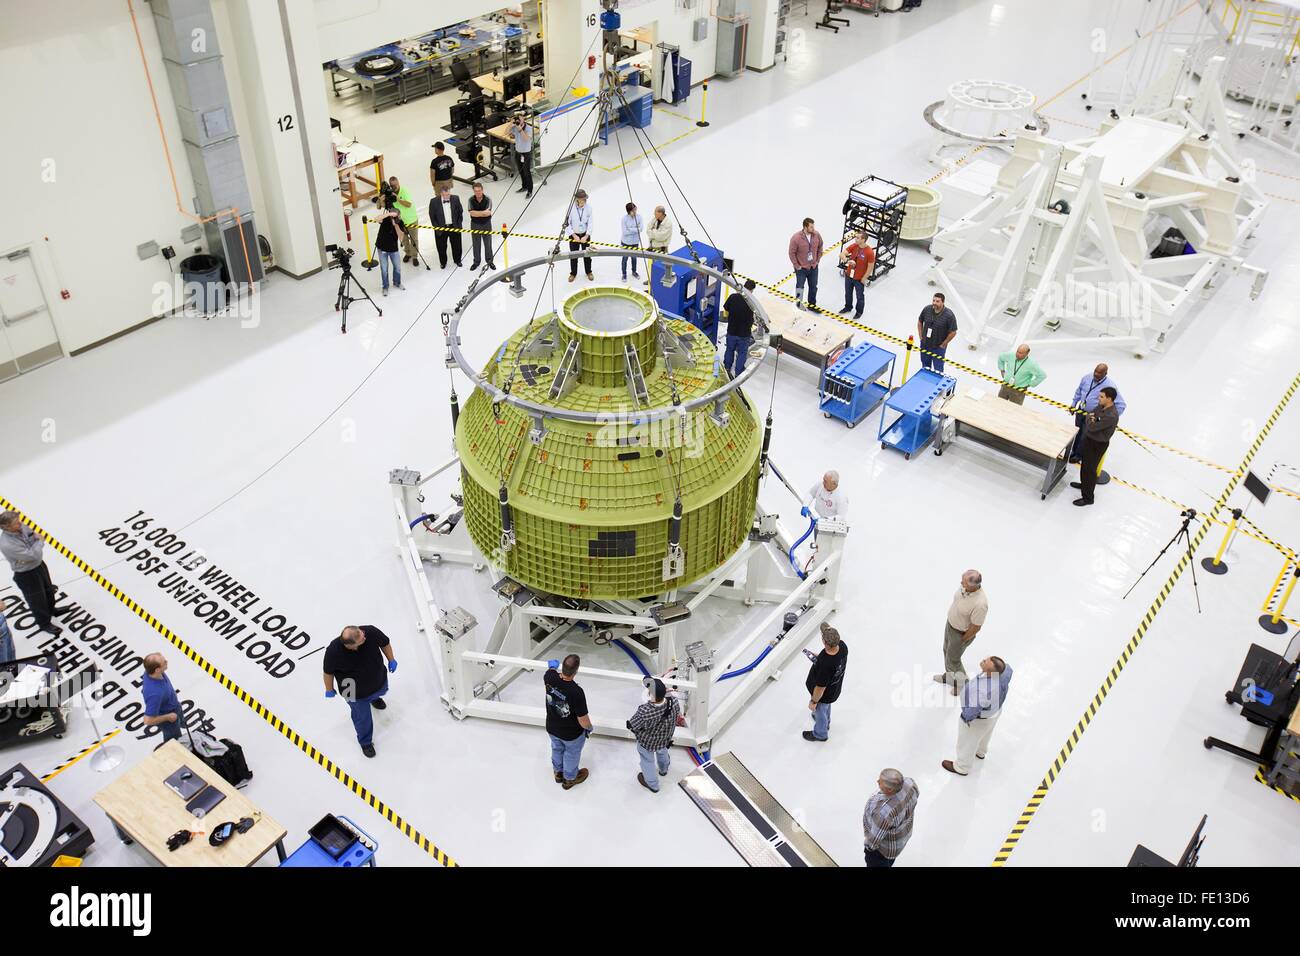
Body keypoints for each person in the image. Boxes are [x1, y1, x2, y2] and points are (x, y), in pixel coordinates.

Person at [323, 625, 398, 758]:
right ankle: (365, 742)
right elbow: (328, 672)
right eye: (361, 639)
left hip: (376, 678)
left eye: (362, 633)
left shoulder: (369, 632)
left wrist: (391, 659)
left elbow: (385, 643)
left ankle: (374, 699)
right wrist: (329, 689)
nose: (364, 636)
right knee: (361, 718)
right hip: (351, 689)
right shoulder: (333, 651)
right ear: (351, 646)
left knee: (382, 690)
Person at [943, 656, 1012, 775]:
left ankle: (962, 767)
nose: (983, 660)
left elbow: (973, 710)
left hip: (979, 721)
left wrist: (966, 719)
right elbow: (1008, 668)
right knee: (986, 734)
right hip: (994, 712)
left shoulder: (983, 691)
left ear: (990, 673)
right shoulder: (1004, 673)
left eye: (985, 661)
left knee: (967, 741)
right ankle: (981, 752)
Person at [0, 511, 62, 636]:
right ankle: (44, 623)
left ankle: (52, 609)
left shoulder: (22, 527)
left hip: (39, 566)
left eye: (18, 520)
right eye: (16, 523)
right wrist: (40, 542)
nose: (20, 523)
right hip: (26, 574)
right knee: (37, 600)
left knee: (48, 590)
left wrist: (36, 542)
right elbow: (33, 555)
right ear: (7, 527)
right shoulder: (7, 544)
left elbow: (33, 536)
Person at [933, 569, 987, 692]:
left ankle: (963, 684)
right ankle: (950, 677)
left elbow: (976, 627)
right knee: (946, 651)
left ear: (974, 586)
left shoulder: (980, 604)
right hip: (950, 626)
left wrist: (961, 640)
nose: (961, 583)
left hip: (960, 634)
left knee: (953, 660)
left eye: (964, 582)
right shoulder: (966, 588)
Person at [545, 654, 592, 789]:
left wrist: (553, 667)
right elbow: (583, 719)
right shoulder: (576, 692)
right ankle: (570, 778)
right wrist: (589, 728)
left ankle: (558, 773)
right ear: (576, 671)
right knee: (571, 754)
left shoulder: (549, 677)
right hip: (571, 734)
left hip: (552, 727)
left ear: (562, 667)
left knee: (557, 748)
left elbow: (551, 670)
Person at [626, 677, 680, 792]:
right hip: (665, 738)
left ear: (651, 694)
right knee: (663, 752)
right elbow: (676, 716)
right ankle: (663, 770)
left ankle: (653, 784)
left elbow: (633, 725)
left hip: (647, 742)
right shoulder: (674, 702)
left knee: (647, 761)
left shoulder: (645, 711)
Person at [1072, 386, 1119, 507]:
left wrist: (1091, 420)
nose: (1099, 398)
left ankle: (1088, 498)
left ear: (1109, 399)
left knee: (1090, 470)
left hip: (1097, 444)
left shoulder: (1111, 415)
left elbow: (1092, 427)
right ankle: (1084, 485)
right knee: (1085, 466)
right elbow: (1091, 414)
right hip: (1089, 440)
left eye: (1102, 397)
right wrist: (1092, 419)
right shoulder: (1102, 407)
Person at [1069, 363, 1126, 462]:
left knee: (1085, 436)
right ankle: (1073, 452)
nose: (1096, 374)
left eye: (1099, 373)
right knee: (1077, 433)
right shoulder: (1087, 377)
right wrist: (1074, 404)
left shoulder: (1110, 386)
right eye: (1095, 371)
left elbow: (1121, 405)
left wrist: (1106, 418)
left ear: (1105, 373)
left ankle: (1078, 456)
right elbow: (1079, 391)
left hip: (1092, 416)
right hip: (1080, 411)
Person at [862, 769, 919, 867]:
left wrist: (868, 848)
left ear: (889, 790)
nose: (877, 781)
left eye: (880, 781)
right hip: (900, 839)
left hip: (883, 852)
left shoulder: (883, 813)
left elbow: (873, 842)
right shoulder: (910, 783)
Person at [803, 623, 847, 742]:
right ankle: (826, 721)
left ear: (825, 643)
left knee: (820, 709)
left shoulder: (825, 666)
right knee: (826, 707)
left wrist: (813, 701)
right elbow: (833, 662)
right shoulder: (842, 646)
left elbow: (820, 689)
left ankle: (820, 733)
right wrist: (819, 658)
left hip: (823, 695)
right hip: (833, 690)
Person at [141, 653, 183, 743]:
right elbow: (147, 720)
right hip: (169, 721)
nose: (167, 662)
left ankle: (182, 724)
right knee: (174, 741)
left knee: (182, 721)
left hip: (175, 706)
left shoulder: (150, 672)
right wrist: (169, 717)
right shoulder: (155, 694)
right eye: (164, 662)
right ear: (157, 670)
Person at [721, 279, 757, 377]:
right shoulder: (752, 302)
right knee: (742, 353)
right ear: (752, 290)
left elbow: (726, 307)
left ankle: (727, 367)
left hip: (732, 330)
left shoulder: (733, 297)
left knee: (729, 349)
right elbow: (756, 314)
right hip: (744, 333)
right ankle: (738, 371)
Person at [788, 217, 824, 310]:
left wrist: (817, 260)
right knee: (800, 286)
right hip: (801, 269)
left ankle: (812, 305)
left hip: (813, 267)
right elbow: (791, 253)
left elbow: (820, 246)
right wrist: (797, 266)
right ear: (805, 227)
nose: (813, 229)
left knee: (813, 287)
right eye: (811, 227)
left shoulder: (816, 235)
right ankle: (799, 304)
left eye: (813, 226)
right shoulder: (796, 238)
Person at [838, 231, 875, 319]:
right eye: (856, 237)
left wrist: (864, 278)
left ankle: (859, 312)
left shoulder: (869, 252)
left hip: (859, 279)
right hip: (849, 276)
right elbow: (842, 254)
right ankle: (848, 307)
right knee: (848, 293)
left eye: (858, 238)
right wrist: (846, 260)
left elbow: (870, 267)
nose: (856, 239)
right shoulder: (854, 246)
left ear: (863, 240)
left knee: (860, 296)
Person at [916, 293, 957, 372]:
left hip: (938, 348)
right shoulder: (927, 309)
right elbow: (920, 321)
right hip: (925, 344)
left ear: (943, 302)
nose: (934, 303)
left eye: (937, 301)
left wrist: (943, 344)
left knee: (938, 370)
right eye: (933, 300)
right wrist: (921, 337)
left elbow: (953, 332)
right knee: (925, 366)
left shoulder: (949, 315)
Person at [428, 185, 465, 268]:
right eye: (445, 195)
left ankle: (457, 260)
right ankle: (443, 262)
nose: (447, 196)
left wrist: (458, 225)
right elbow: (432, 216)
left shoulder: (455, 198)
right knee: (441, 247)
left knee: (457, 245)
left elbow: (460, 212)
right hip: (441, 228)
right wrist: (437, 228)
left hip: (454, 226)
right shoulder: (434, 201)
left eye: (448, 194)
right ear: (441, 193)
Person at [372, 201, 403, 295]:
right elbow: (376, 219)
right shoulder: (385, 219)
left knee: (397, 267)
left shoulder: (400, 222)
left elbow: (401, 238)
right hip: (382, 248)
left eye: (397, 216)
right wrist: (388, 214)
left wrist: (396, 225)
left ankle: (397, 282)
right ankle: (385, 287)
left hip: (393, 248)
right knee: (384, 269)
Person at [388, 176, 420, 264]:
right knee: (404, 239)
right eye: (392, 186)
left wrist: (398, 198)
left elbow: (408, 204)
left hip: (411, 219)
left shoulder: (404, 190)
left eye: (396, 185)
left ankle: (414, 256)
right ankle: (408, 253)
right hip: (400, 221)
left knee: (414, 239)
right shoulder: (390, 194)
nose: (395, 187)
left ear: (398, 183)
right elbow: (389, 206)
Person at [467, 182, 496, 270]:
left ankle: (490, 261)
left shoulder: (488, 199)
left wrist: (477, 213)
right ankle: (476, 262)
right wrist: (482, 213)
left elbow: (488, 213)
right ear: (473, 191)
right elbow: (471, 213)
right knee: (476, 244)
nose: (478, 193)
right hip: (475, 225)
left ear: (482, 190)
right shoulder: (470, 200)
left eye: (479, 191)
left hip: (486, 224)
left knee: (488, 243)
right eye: (476, 191)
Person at [567, 189, 593, 281]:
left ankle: (589, 272)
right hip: (574, 235)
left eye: (585, 199)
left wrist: (586, 236)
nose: (584, 201)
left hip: (585, 235)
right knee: (574, 255)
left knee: (587, 255)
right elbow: (567, 224)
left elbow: (590, 223)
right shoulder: (570, 208)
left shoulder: (588, 208)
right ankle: (573, 273)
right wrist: (574, 235)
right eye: (582, 199)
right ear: (577, 199)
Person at [620, 202, 644, 280]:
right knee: (625, 259)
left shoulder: (639, 217)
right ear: (629, 211)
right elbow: (625, 232)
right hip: (626, 242)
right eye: (633, 210)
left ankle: (634, 271)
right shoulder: (624, 219)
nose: (635, 212)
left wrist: (630, 229)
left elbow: (641, 229)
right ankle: (624, 274)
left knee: (634, 258)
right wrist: (635, 229)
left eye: (635, 210)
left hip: (635, 242)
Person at [510, 115, 533, 197]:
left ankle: (530, 190)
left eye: (520, 119)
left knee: (527, 172)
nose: (518, 120)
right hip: (518, 152)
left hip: (526, 153)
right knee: (521, 171)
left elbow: (526, 139)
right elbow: (505, 133)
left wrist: (520, 129)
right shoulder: (515, 127)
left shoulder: (529, 128)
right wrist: (511, 124)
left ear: (523, 119)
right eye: (517, 119)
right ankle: (524, 187)